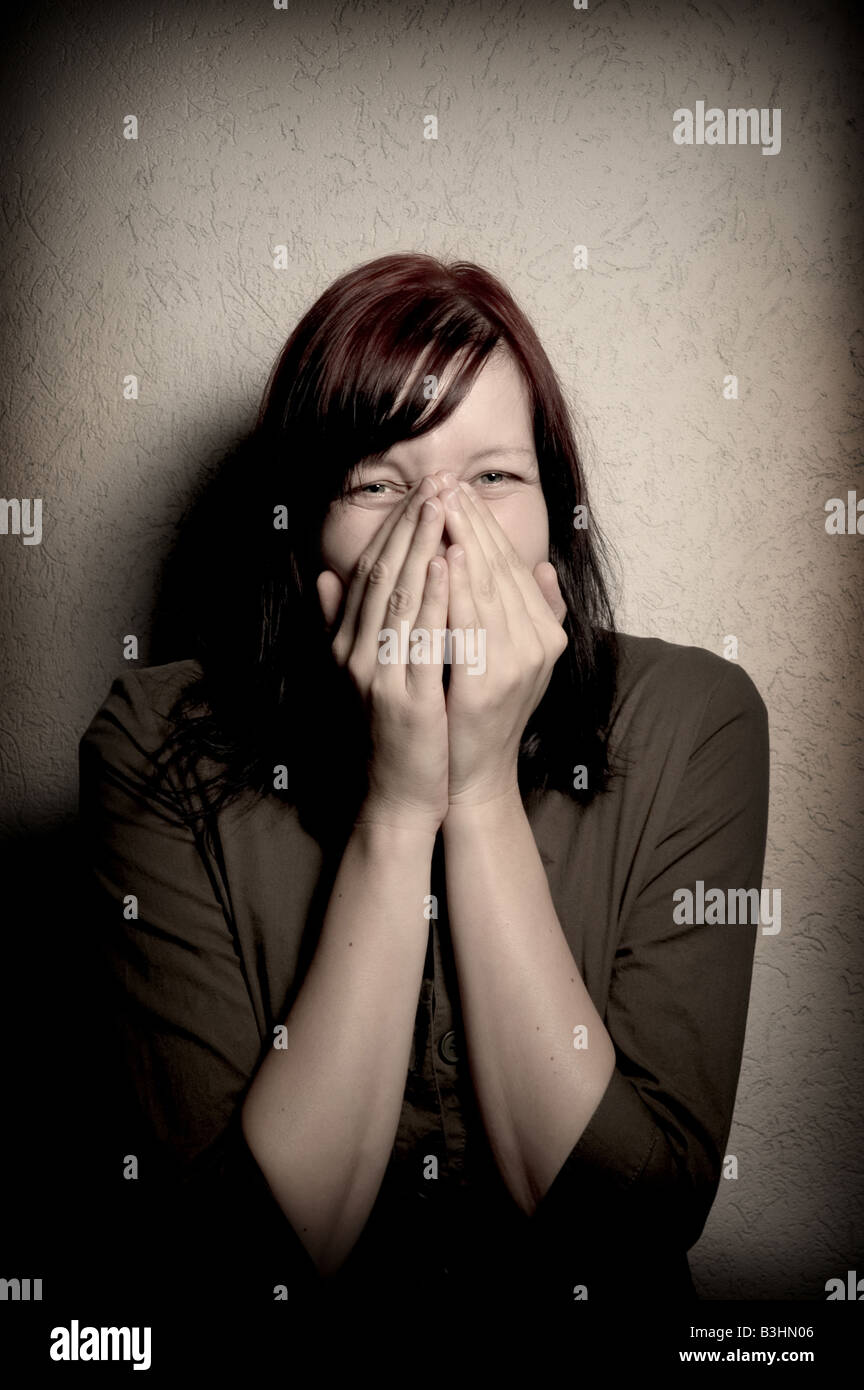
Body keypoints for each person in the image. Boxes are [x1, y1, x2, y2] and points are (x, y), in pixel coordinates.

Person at [79, 252, 769, 1322]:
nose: (443, 531)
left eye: (494, 477)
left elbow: (627, 1231)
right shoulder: (150, 740)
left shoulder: (695, 720)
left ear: (555, 522)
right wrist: (402, 806)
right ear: (304, 536)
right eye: (378, 483)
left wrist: (480, 787)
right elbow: (238, 1266)